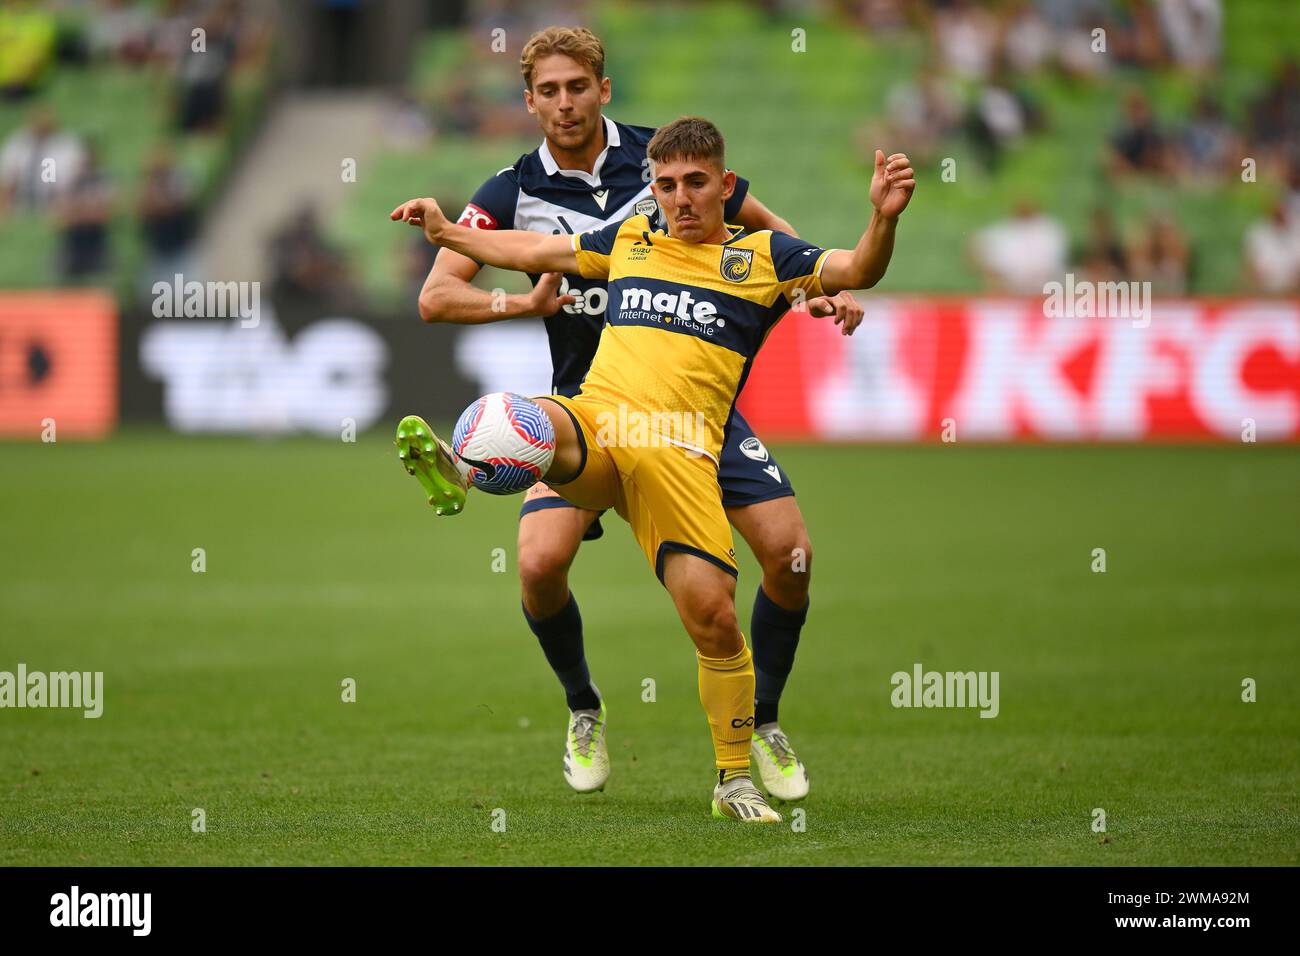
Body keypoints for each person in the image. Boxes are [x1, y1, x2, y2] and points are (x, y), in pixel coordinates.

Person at [391, 116, 915, 822]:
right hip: (601, 423)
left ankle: (733, 778)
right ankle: (473, 465)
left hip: (683, 452)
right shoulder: (630, 239)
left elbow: (857, 270)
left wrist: (881, 218)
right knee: (520, 419)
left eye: (696, 183)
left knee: (715, 619)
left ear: (725, 186)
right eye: (666, 185)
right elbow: (532, 246)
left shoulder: (764, 257)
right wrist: (451, 232)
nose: (681, 198)